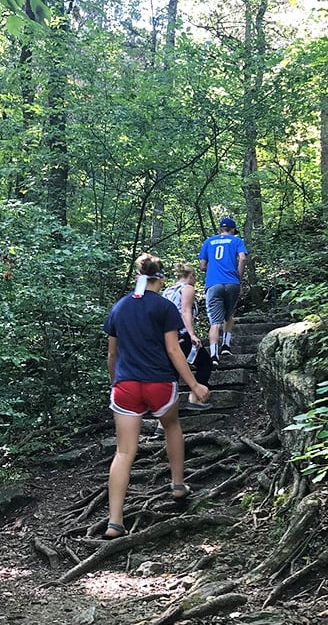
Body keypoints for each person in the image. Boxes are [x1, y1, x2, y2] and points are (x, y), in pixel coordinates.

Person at [102, 253, 210, 539]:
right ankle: (177, 485)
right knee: (171, 425)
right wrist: (195, 385)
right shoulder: (164, 307)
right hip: (159, 384)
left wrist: (115, 383)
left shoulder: (120, 307)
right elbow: (174, 351)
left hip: (125, 387)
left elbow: (112, 354)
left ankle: (115, 522)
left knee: (124, 452)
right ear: (159, 279)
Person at [198, 217, 248, 368]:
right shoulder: (236, 240)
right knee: (229, 314)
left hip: (213, 284)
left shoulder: (208, 242)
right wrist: (238, 276)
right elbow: (243, 258)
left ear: (220, 229)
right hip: (232, 282)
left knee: (215, 322)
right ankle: (226, 346)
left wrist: (214, 270)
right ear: (232, 230)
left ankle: (214, 355)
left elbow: (202, 266)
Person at [162, 263, 213, 410]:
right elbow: (185, 311)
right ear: (190, 276)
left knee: (173, 375)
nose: (195, 280)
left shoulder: (167, 291)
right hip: (182, 335)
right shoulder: (187, 289)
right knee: (205, 363)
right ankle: (195, 397)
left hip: (168, 337)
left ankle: (163, 418)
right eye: (195, 277)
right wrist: (192, 334)